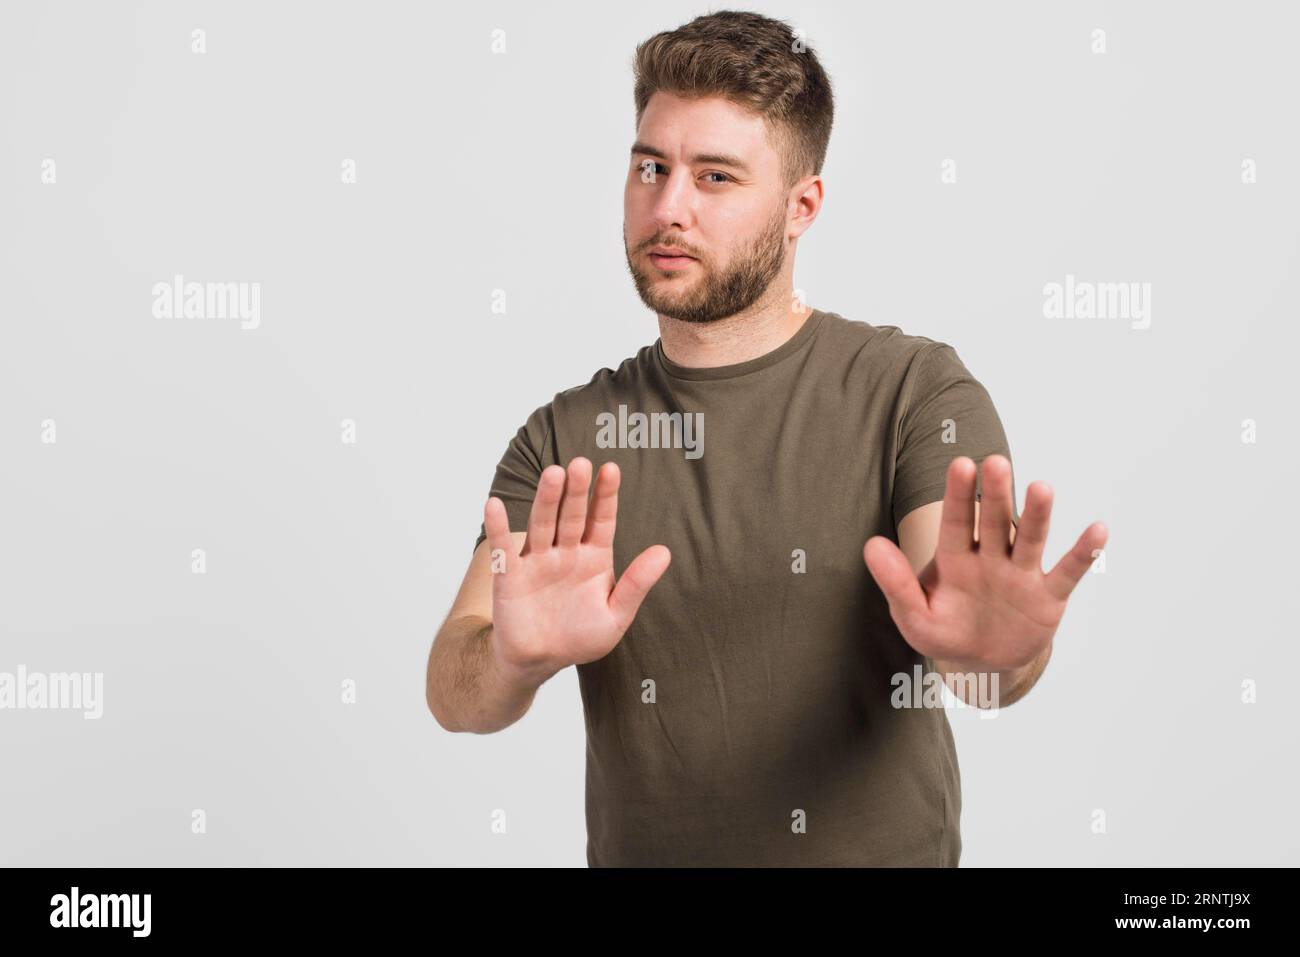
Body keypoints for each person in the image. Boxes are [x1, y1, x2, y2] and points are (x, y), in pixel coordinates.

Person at [425, 10, 1107, 867]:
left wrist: (1002, 654)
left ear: (801, 207)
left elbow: (981, 657)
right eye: (651, 166)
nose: (668, 207)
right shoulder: (565, 436)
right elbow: (455, 686)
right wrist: (511, 661)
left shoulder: (912, 391)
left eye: (715, 177)